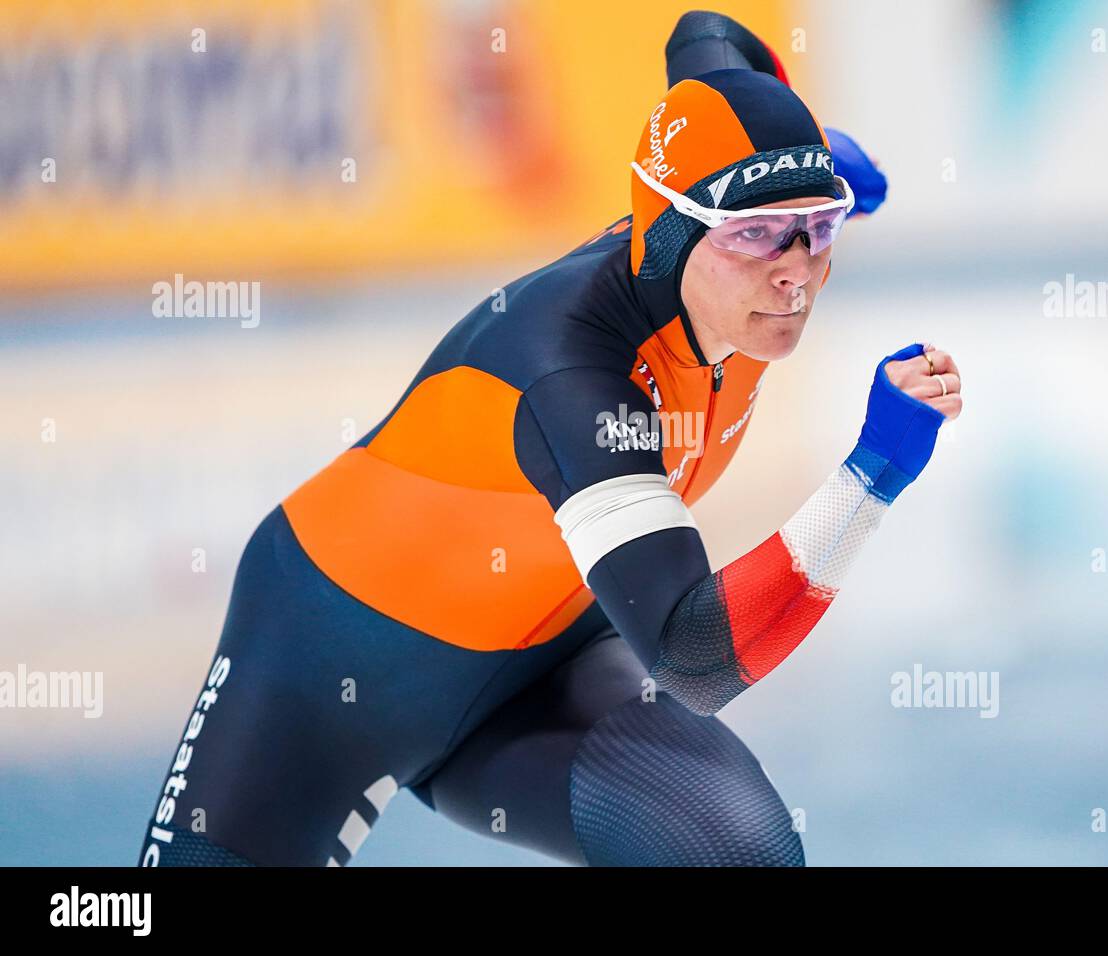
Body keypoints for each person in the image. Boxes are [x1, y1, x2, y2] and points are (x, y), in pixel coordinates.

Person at [137, 11, 962, 868]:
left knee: (734, 854)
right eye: (754, 233)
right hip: (326, 662)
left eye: (818, 227)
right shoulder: (569, 377)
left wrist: (814, 156)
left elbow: (705, 36)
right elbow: (697, 661)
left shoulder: (739, 268)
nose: (796, 270)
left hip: (539, 675)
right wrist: (873, 474)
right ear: (669, 229)